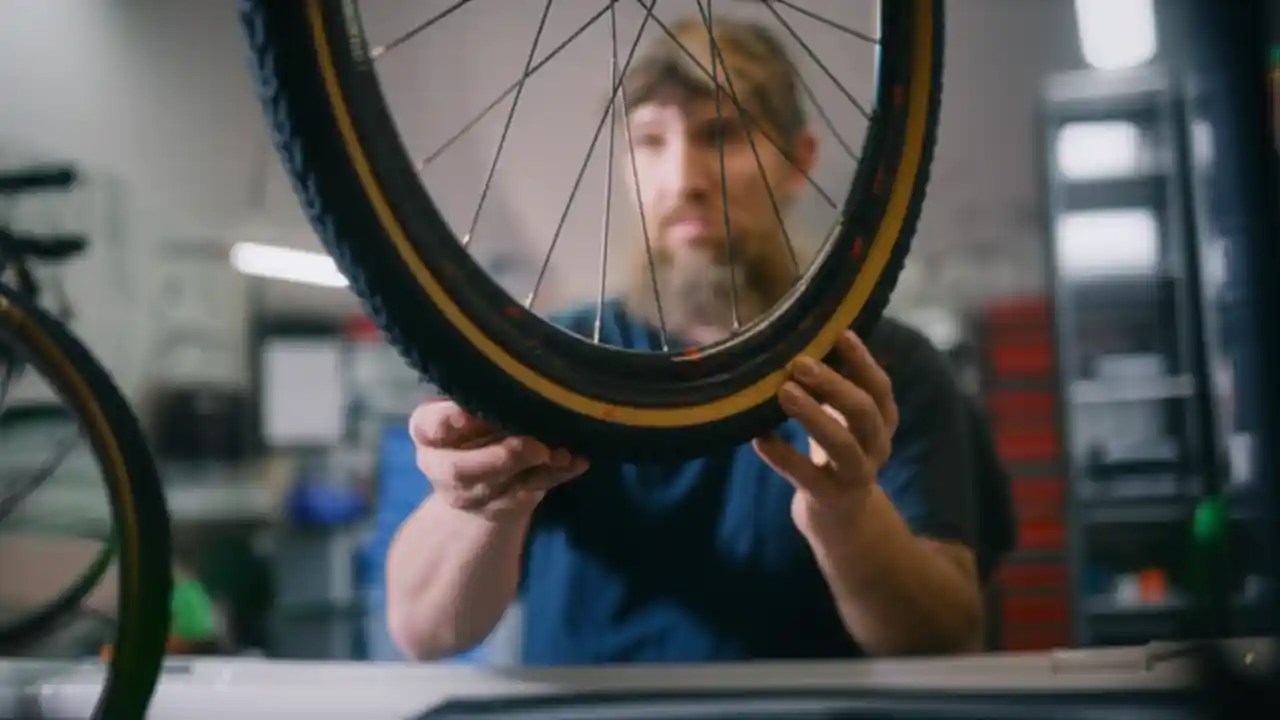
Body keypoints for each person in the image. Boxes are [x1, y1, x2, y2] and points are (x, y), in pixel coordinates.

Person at [384, 17, 985, 664]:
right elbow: (422, 630)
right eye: (649, 140)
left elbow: (945, 637)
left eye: (719, 134)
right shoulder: (548, 358)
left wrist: (848, 514)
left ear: (799, 160)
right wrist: (476, 506)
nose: (682, 179)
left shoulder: (882, 366)